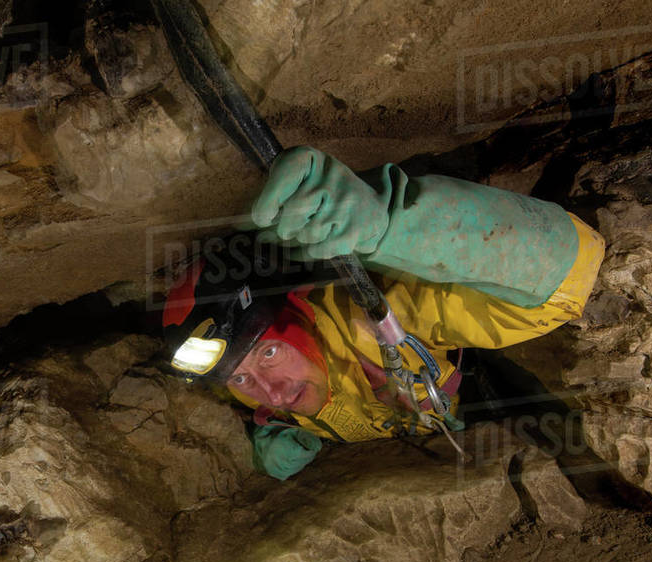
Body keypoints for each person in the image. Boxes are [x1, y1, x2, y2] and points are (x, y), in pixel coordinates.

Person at [161, 147, 605, 479]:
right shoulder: (263, 396)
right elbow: (264, 402)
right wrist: (280, 434)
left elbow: (569, 279)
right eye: (240, 378)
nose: (271, 393)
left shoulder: (378, 319)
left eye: (270, 354)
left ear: (298, 313)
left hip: (473, 410)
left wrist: (394, 230)